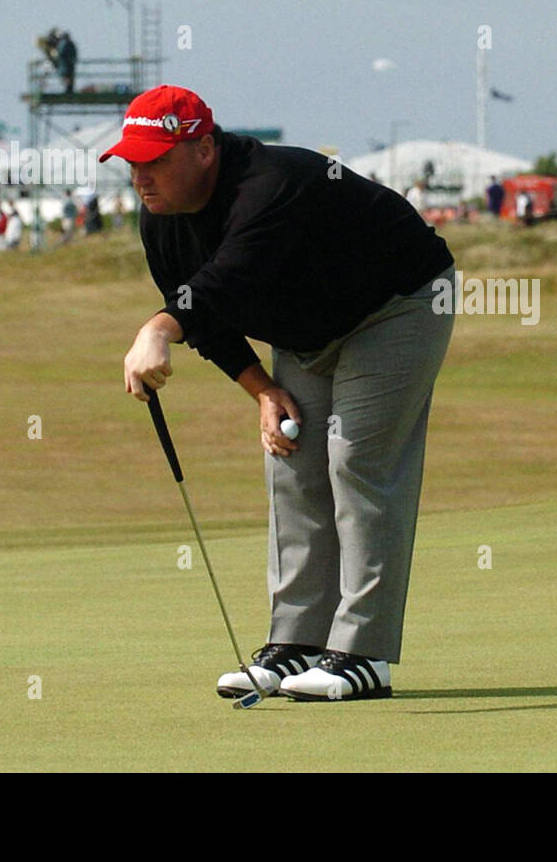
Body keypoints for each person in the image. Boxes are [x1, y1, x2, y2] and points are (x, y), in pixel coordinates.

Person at [115, 85, 454, 701]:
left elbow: (225, 282)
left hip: (397, 306)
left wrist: (159, 327)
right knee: (294, 462)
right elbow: (213, 319)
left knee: (355, 460)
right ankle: (296, 643)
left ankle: (364, 652)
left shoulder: (272, 184)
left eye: (157, 159)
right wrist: (262, 389)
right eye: (134, 162)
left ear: (205, 150)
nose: (142, 176)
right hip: (304, 333)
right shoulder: (160, 218)